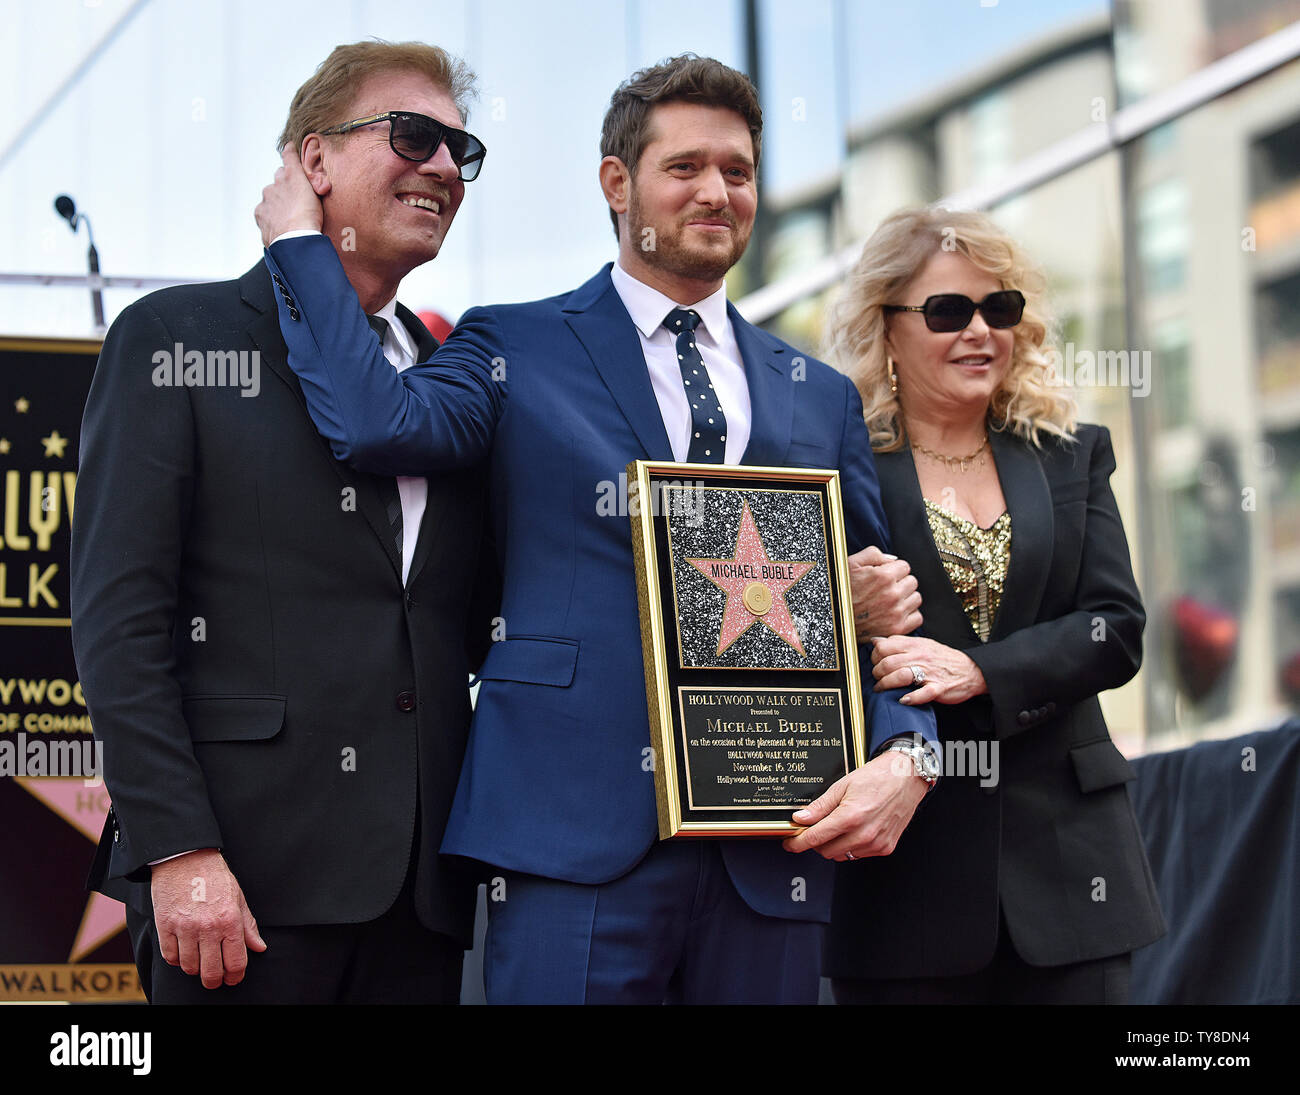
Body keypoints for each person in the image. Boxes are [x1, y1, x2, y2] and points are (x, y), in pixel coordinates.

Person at [252, 54, 937, 1005]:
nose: (717, 192)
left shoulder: (815, 394)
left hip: (775, 840)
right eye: (686, 167)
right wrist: (299, 246)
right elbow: (379, 423)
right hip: (570, 842)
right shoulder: (511, 345)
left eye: (737, 171)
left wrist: (911, 751)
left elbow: (884, 608)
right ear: (618, 183)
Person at [70, 40, 496, 1004]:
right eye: (414, 135)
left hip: (422, 902)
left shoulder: (449, 375)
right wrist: (179, 849)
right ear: (313, 162)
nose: (440, 166)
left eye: (460, 152)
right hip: (239, 891)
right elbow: (118, 625)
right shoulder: (175, 339)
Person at [822, 206, 1166, 1004]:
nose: (981, 330)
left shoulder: (1074, 455)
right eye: (949, 311)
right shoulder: (840, 471)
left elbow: (1115, 628)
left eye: (999, 308)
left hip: (1076, 877)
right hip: (903, 891)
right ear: (887, 325)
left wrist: (981, 671)